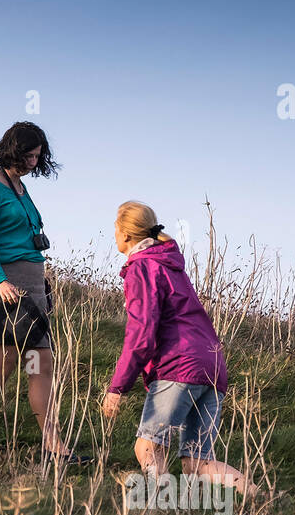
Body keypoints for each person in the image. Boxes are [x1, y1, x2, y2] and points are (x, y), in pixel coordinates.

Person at [101, 201, 254, 495]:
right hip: (212, 367)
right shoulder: (169, 264)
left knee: (147, 445)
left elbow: (141, 334)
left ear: (127, 234)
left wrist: (117, 387)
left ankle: (158, 506)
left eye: (116, 229)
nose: (115, 235)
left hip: (179, 366)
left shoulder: (142, 267)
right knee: (197, 463)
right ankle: (262, 499)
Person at [0, 121, 81, 462]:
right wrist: (1, 282)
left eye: (38, 156)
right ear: (12, 151)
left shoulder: (21, 188)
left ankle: (54, 446)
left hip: (30, 286)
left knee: (41, 364)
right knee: (1, 367)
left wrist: (41, 286)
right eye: (28, 155)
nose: (33, 163)